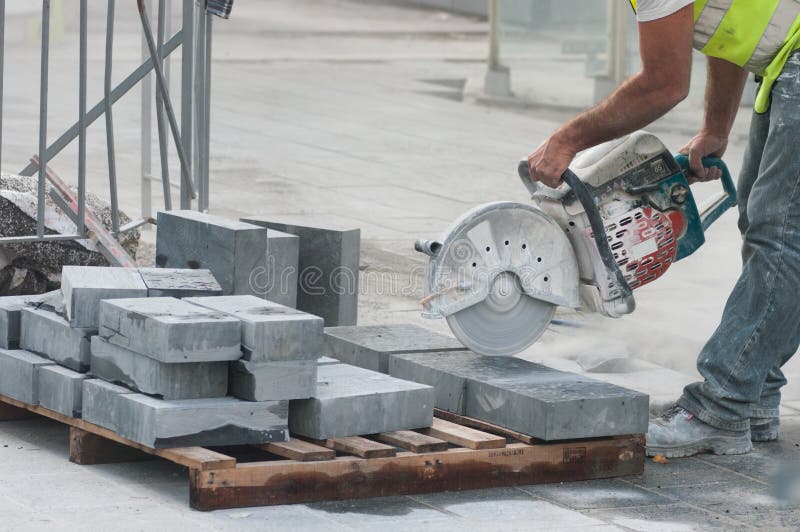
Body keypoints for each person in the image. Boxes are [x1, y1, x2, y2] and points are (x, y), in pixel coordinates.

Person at [526, 0, 800, 458]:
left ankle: (722, 407)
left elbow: (663, 84)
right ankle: (753, 391)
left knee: (782, 237)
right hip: (785, 59)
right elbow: (728, 30)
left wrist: (566, 141)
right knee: (765, 224)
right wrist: (715, 126)